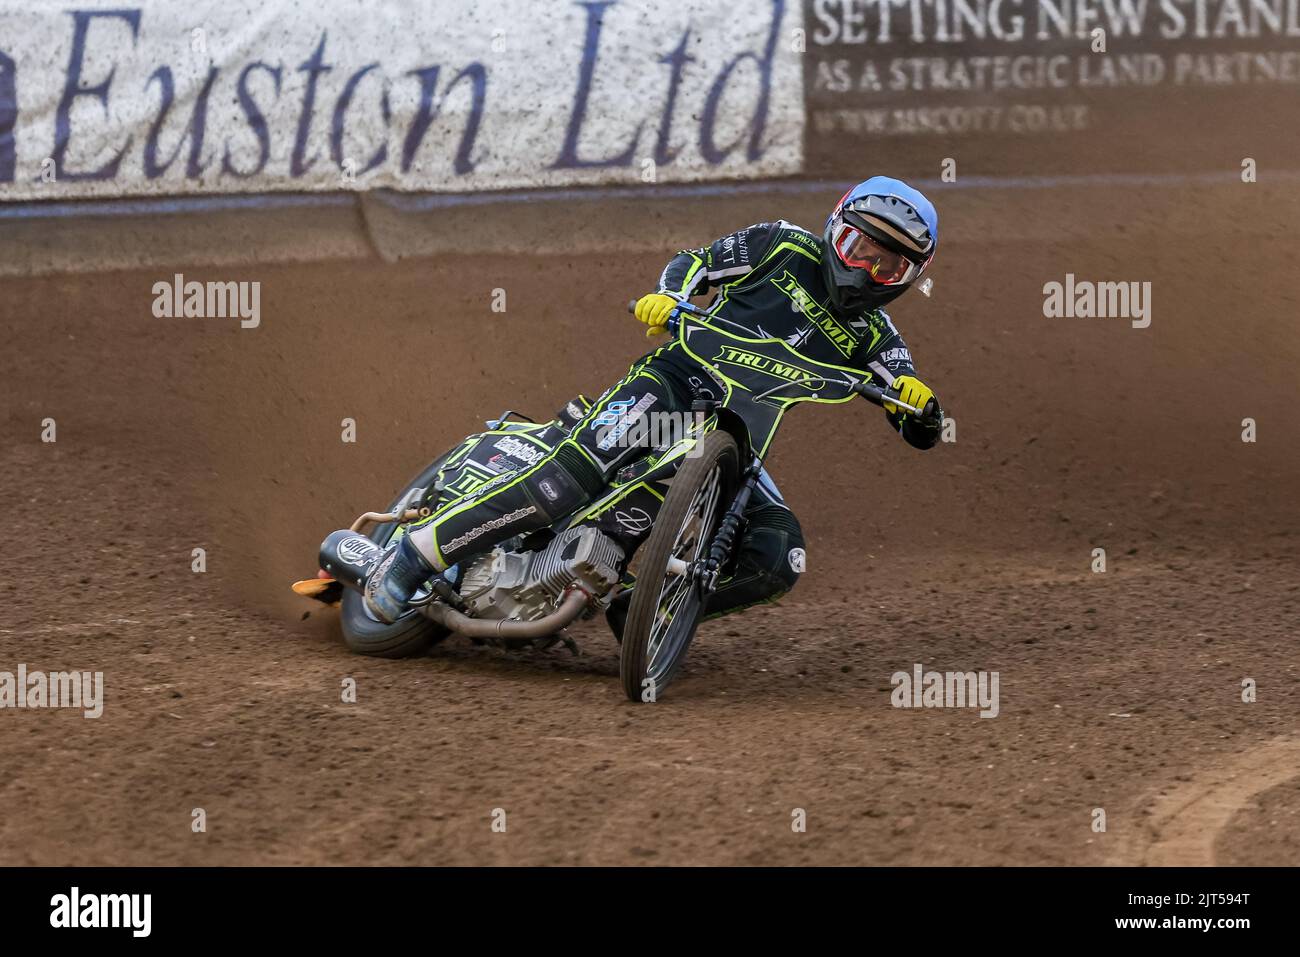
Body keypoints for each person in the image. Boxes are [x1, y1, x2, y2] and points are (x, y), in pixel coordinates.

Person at [361, 176, 944, 625]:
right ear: (833, 227)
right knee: (567, 482)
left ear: (909, 276)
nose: (865, 267)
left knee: (779, 555)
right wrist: (669, 296)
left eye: (887, 262)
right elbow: (696, 262)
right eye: (857, 244)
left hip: (741, 439)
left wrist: (923, 406)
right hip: (675, 384)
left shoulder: (877, 339)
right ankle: (413, 558)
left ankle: (642, 614)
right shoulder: (781, 245)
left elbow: (917, 424)